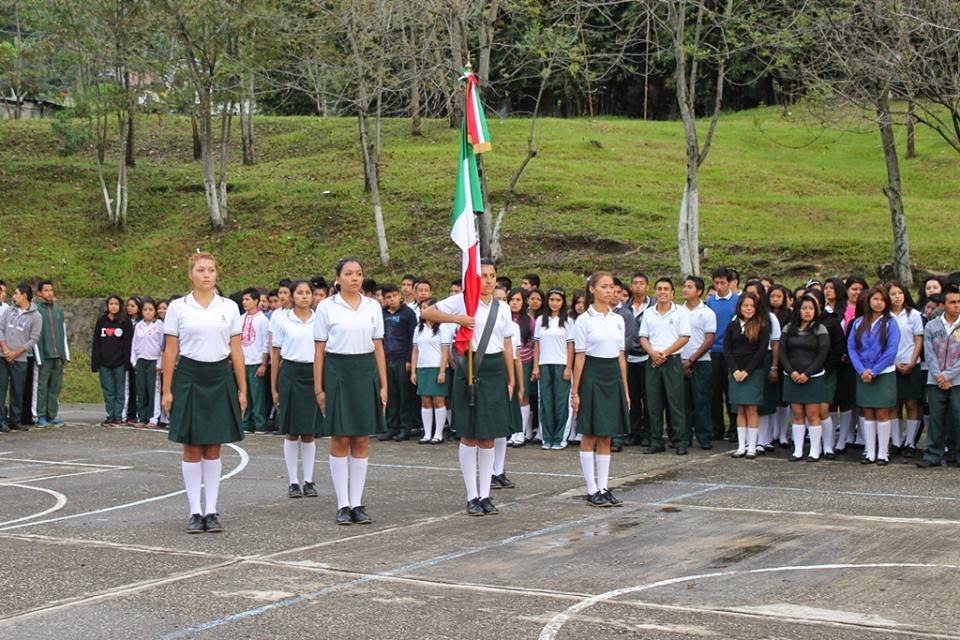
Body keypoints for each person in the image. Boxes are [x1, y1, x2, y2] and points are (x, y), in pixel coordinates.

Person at [421, 259, 515, 517]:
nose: (487, 280)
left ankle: (486, 494)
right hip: (469, 368)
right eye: (482, 275)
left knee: (489, 434)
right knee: (470, 434)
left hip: (494, 369)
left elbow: (507, 344)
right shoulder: (463, 300)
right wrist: (458, 319)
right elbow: (427, 313)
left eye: (492, 275)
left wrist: (511, 377)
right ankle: (471, 495)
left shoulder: (503, 308)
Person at [162, 252, 247, 534]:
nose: (207, 275)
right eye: (201, 270)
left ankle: (211, 510)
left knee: (214, 445)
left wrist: (242, 388)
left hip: (220, 375)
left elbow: (236, 349)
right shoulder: (178, 307)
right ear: (191, 274)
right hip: (189, 377)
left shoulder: (229, 307)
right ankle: (194, 511)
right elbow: (171, 350)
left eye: (211, 270)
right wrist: (167, 390)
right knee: (191, 445)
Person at [314, 257, 388, 525]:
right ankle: (342, 504)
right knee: (340, 438)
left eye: (358, 273)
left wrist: (383, 384)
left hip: (365, 369)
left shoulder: (372, 306)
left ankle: (357, 502)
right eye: (348, 273)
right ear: (338, 278)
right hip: (337, 370)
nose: (354, 278)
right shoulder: (325, 307)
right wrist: (319, 387)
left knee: (361, 438)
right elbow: (319, 349)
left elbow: (378, 346)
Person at [572, 271, 630, 507]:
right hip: (592, 377)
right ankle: (591, 488)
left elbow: (621, 356)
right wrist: (575, 392)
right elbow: (580, 357)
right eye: (604, 287)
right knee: (590, 433)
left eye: (611, 287)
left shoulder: (618, 319)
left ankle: (604, 487)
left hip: (612, 376)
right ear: (592, 289)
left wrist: (625, 390)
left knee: (606, 434)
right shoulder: (584, 320)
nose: (609, 291)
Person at [271, 280, 321, 499]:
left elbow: (324, 351)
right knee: (291, 431)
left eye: (308, 292)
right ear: (291, 296)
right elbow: (275, 355)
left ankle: (309, 480)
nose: (304, 296)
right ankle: (293, 481)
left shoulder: (320, 319)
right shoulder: (281, 318)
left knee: (309, 431)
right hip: (290, 372)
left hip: (313, 373)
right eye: (299, 293)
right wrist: (274, 387)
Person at [847, 285, 900, 465]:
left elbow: (891, 350)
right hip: (863, 373)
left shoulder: (891, 323)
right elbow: (852, 348)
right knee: (867, 411)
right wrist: (861, 370)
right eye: (876, 299)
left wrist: (875, 370)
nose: (879, 303)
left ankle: (883, 453)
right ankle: (869, 451)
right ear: (868, 301)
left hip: (883, 373)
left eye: (883, 300)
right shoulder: (858, 322)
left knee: (883, 412)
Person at [638, 278, 690, 455]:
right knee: (653, 403)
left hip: (672, 360)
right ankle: (656, 440)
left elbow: (684, 336)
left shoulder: (680, 312)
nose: (662, 292)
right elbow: (643, 337)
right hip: (652, 361)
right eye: (659, 289)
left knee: (675, 402)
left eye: (666, 289)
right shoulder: (648, 313)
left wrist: (665, 353)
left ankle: (679, 441)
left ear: (672, 293)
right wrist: (652, 353)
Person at [781, 295, 830, 461]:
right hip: (792, 376)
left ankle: (815, 450)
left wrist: (807, 373)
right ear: (798, 310)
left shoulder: (820, 329)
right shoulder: (788, 328)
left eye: (811, 308)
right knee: (797, 414)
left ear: (815, 310)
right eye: (804, 308)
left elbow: (822, 354)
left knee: (813, 414)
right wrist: (791, 371)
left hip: (813, 377)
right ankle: (798, 450)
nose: (807, 311)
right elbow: (782, 352)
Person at [723, 292, 771, 459]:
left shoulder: (762, 325)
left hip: (753, 372)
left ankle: (752, 446)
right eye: (745, 305)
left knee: (751, 408)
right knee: (740, 409)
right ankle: (741, 446)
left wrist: (747, 371)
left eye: (751, 305)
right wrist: (735, 370)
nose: (749, 308)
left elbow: (761, 351)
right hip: (736, 373)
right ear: (740, 307)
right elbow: (727, 350)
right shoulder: (732, 325)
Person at [917, 286, 960, 468]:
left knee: (957, 417)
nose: (957, 306)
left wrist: (948, 375)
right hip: (935, 381)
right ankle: (933, 453)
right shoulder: (932, 326)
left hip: (957, 380)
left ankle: (957, 453)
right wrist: (938, 376)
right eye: (952, 302)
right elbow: (929, 352)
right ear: (943, 305)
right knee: (935, 417)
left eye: (959, 302)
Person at [615, 273, 653, 450]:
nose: (638, 286)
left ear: (647, 286)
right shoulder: (624, 307)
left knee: (649, 397)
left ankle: (649, 433)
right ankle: (634, 432)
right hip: (629, 357)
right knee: (633, 397)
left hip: (648, 357)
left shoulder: (652, 306)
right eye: (635, 283)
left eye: (641, 283)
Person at [533, 288, 574, 449]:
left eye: (558, 300)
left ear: (563, 302)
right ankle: (547, 437)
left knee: (561, 403)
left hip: (562, 364)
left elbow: (571, 346)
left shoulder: (568, 321)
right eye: (551, 300)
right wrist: (536, 366)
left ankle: (560, 438)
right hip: (544, 365)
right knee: (546, 402)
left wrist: (568, 368)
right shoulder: (540, 321)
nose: (554, 303)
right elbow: (537, 345)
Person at [887, 282, 924, 457]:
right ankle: (896, 441)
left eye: (900, 293)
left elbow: (918, 340)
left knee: (911, 403)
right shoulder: (884, 316)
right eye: (893, 293)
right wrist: (893, 363)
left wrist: (912, 361)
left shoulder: (913, 314)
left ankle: (910, 442)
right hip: (890, 366)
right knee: (894, 404)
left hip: (911, 365)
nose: (897, 296)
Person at [0, 284, 42, 432]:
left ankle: (15, 420)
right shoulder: (8, 311)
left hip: (21, 357)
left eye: (17, 293)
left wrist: (16, 352)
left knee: (18, 390)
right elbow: (0, 329)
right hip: (3, 355)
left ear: (24, 295)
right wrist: (5, 350)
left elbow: (34, 339)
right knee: (1, 388)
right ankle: (1, 420)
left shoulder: (36, 316)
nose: (14, 296)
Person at [410, 297, 453, 444]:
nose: (422, 310)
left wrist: (442, 371)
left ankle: (438, 433)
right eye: (421, 308)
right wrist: (413, 371)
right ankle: (427, 433)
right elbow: (415, 350)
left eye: (426, 308)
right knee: (425, 400)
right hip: (423, 367)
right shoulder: (418, 328)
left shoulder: (443, 327)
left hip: (437, 367)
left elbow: (445, 350)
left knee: (438, 400)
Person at [681, 276, 716, 449]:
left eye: (689, 287)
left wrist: (692, 360)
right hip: (680, 361)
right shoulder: (678, 311)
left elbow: (709, 340)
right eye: (684, 286)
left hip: (701, 361)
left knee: (701, 400)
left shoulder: (707, 312)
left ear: (699, 291)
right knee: (683, 402)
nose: (685, 289)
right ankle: (684, 436)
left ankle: (704, 436)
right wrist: (683, 361)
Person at [380, 283, 418, 442]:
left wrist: (410, 360)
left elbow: (413, 338)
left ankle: (405, 428)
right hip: (388, 359)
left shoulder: (408, 313)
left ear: (399, 296)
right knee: (391, 395)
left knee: (404, 396)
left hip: (403, 359)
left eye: (394, 296)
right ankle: (391, 427)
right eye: (388, 297)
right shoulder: (382, 314)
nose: (392, 299)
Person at [707, 267, 739, 441]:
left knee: (731, 392)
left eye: (722, 283)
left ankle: (734, 427)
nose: (719, 286)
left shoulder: (738, 301)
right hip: (713, 351)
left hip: (731, 352)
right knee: (714, 392)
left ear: (730, 283)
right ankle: (716, 427)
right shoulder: (710, 302)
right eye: (716, 283)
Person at [34, 280, 70, 428]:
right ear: (40, 293)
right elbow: (35, 335)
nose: (49, 293)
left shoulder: (58, 311)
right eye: (46, 290)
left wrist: (65, 354)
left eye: (51, 290)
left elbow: (63, 333)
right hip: (44, 355)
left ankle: (52, 414)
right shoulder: (36, 311)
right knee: (42, 387)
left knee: (55, 387)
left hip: (57, 355)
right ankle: (40, 415)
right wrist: (38, 355)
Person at [507, 288, 536, 446]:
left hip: (524, 361)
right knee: (511, 397)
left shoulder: (529, 321)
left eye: (518, 300)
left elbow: (533, 344)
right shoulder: (504, 319)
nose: (515, 303)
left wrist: (532, 365)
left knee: (523, 396)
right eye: (512, 300)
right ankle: (512, 431)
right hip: (507, 361)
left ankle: (521, 432)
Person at [239, 288, 270, 433]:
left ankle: (260, 423)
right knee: (245, 393)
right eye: (243, 299)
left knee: (257, 395)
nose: (244, 302)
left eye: (247, 299)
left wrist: (263, 363)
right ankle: (246, 422)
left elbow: (265, 342)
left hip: (256, 361)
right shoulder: (241, 318)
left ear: (256, 301)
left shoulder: (262, 320)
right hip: (243, 361)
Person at [130, 297, 163, 428]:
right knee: (141, 389)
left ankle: (153, 417)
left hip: (154, 360)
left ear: (154, 311)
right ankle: (142, 416)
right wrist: (134, 361)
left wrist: (160, 363)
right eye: (145, 310)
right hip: (141, 360)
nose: (147, 312)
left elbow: (162, 346)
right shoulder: (139, 325)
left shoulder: (159, 326)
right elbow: (134, 344)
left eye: (150, 310)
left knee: (153, 390)